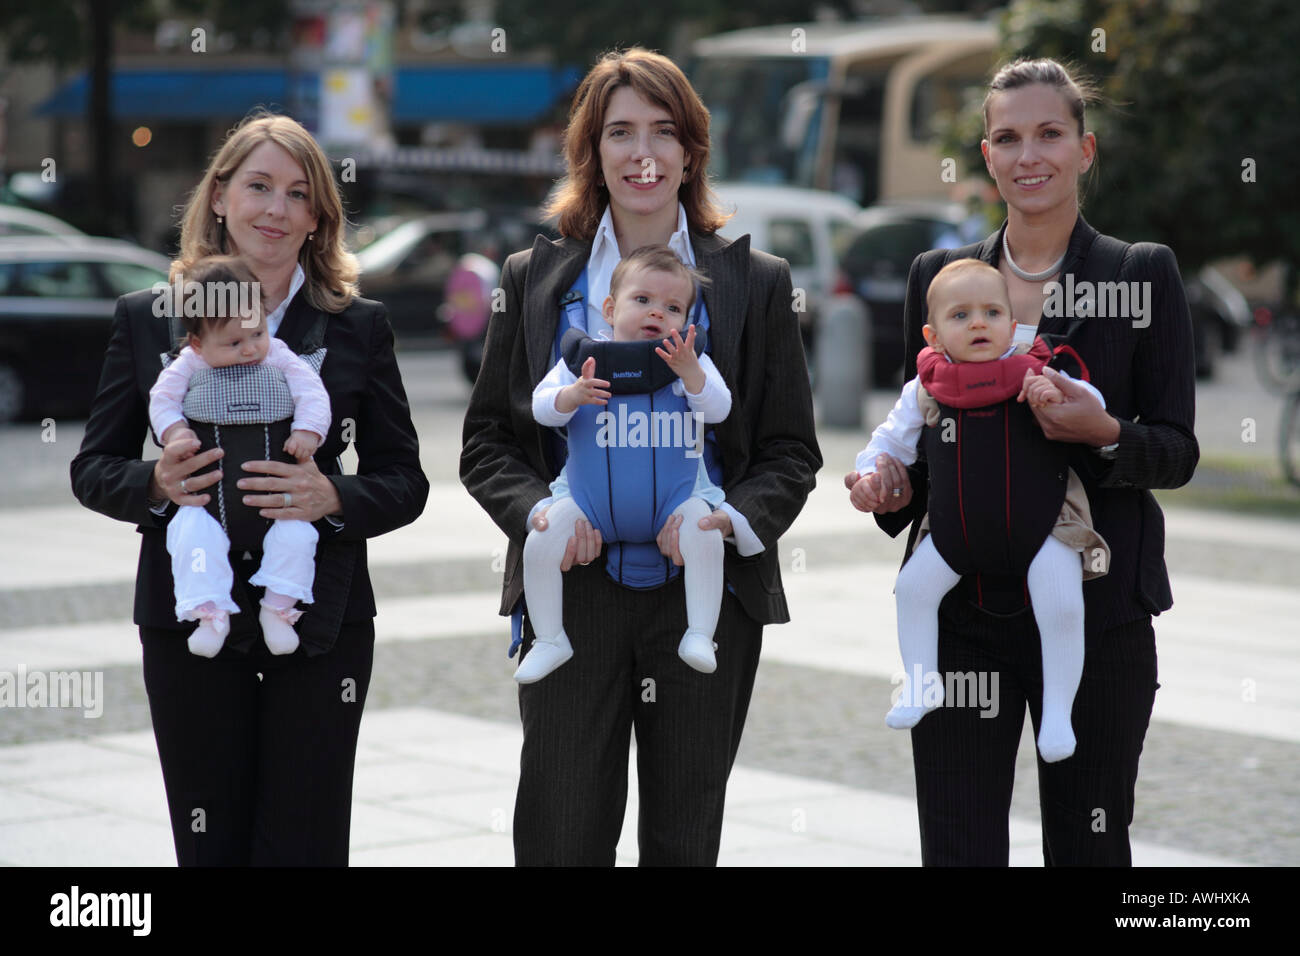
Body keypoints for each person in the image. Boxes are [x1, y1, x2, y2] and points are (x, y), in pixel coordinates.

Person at [461, 48, 822, 866]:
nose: (643, 152)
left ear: (692, 150)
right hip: (573, 584)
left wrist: (731, 522)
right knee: (559, 830)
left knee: (684, 836)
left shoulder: (757, 282)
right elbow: (487, 441)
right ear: (591, 152)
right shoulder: (534, 276)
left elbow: (791, 451)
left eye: (664, 131)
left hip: (703, 586)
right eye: (620, 132)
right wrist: (538, 513)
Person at [848, 58, 1198, 866]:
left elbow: (1176, 450)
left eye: (1050, 133)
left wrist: (1104, 430)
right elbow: (921, 426)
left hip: (1099, 611)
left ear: (1086, 148)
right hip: (962, 618)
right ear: (986, 154)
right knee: (960, 846)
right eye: (1009, 137)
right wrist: (890, 488)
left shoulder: (1138, 273)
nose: (1028, 154)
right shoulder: (939, 279)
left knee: (1089, 846)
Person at [70, 113, 429, 866]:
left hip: (321, 621)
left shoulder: (357, 325)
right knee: (211, 849)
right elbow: (92, 467)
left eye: (298, 194)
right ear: (221, 197)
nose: (276, 208)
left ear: (316, 218)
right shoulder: (149, 317)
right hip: (187, 621)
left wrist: (334, 497)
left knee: (304, 846)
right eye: (258, 186)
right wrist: (157, 484)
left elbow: (405, 481)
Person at [851, 258, 1110, 762]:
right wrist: (868, 473)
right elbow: (890, 441)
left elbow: (1093, 404)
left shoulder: (1038, 371)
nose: (978, 323)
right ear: (933, 335)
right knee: (912, 588)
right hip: (956, 530)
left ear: (1013, 327)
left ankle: (1058, 711)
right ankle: (923, 683)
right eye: (961, 315)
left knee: (1060, 604)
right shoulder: (925, 389)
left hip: (1043, 528)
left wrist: (1059, 393)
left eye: (992, 313)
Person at [521, 245, 730, 683]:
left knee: (706, 534)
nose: (657, 312)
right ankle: (549, 638)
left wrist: (692, 374)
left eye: (673, 307)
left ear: (688, 322)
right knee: (539, 542)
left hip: (676, 500)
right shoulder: (582, 360)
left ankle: (699, 632)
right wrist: (571, 396)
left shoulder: (691, 363)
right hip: (586, 503)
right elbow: (540, 408)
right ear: (611, 309)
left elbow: (719, 409)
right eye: (643, 300)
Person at [149, 254, 331, 658]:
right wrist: (175, 433)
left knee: (299, 535)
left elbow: (311, 391)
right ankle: (209, 613)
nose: (250, 349)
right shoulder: (188, 364)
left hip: (279, 503)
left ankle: (279, 606)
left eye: (257, 333)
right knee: (191, 538)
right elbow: (162, 399)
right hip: (207, 500)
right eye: (233, 342)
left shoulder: (279, 354)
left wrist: (307, 431)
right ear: (198, 342)